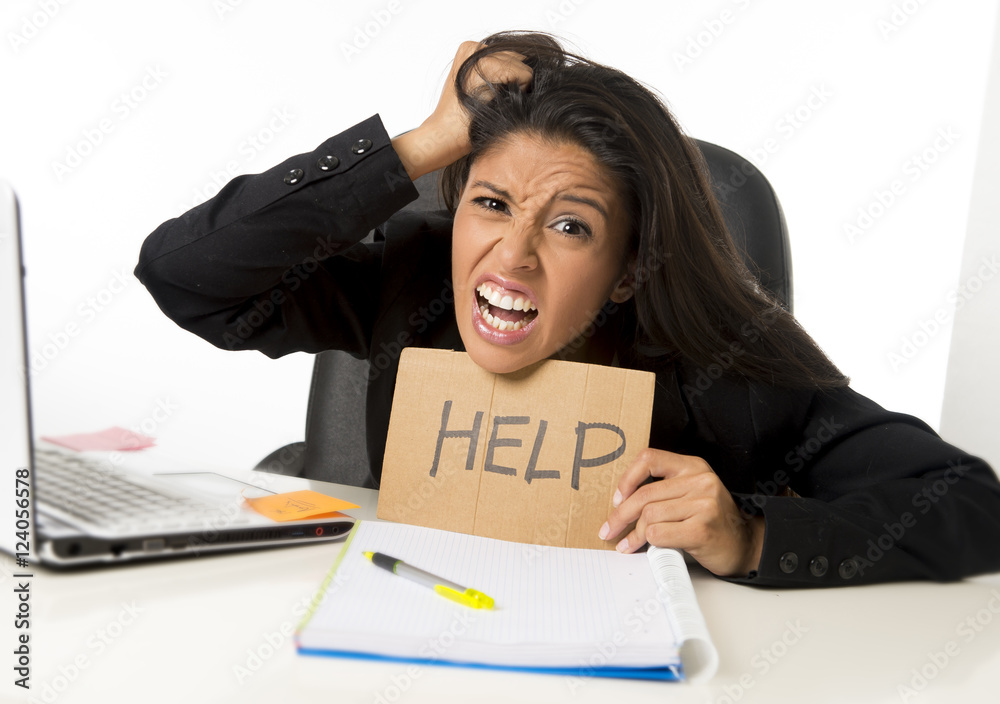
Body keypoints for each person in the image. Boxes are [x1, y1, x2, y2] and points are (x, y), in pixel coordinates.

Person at [135, 31, 1000, 587]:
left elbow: (969, 503)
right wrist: (420, 146)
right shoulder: (410, 278)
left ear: (628, 271)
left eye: (570, 225)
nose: (512, 256)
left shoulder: (726, 362)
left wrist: (751, 537)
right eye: (491, 204)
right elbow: (187, 276)